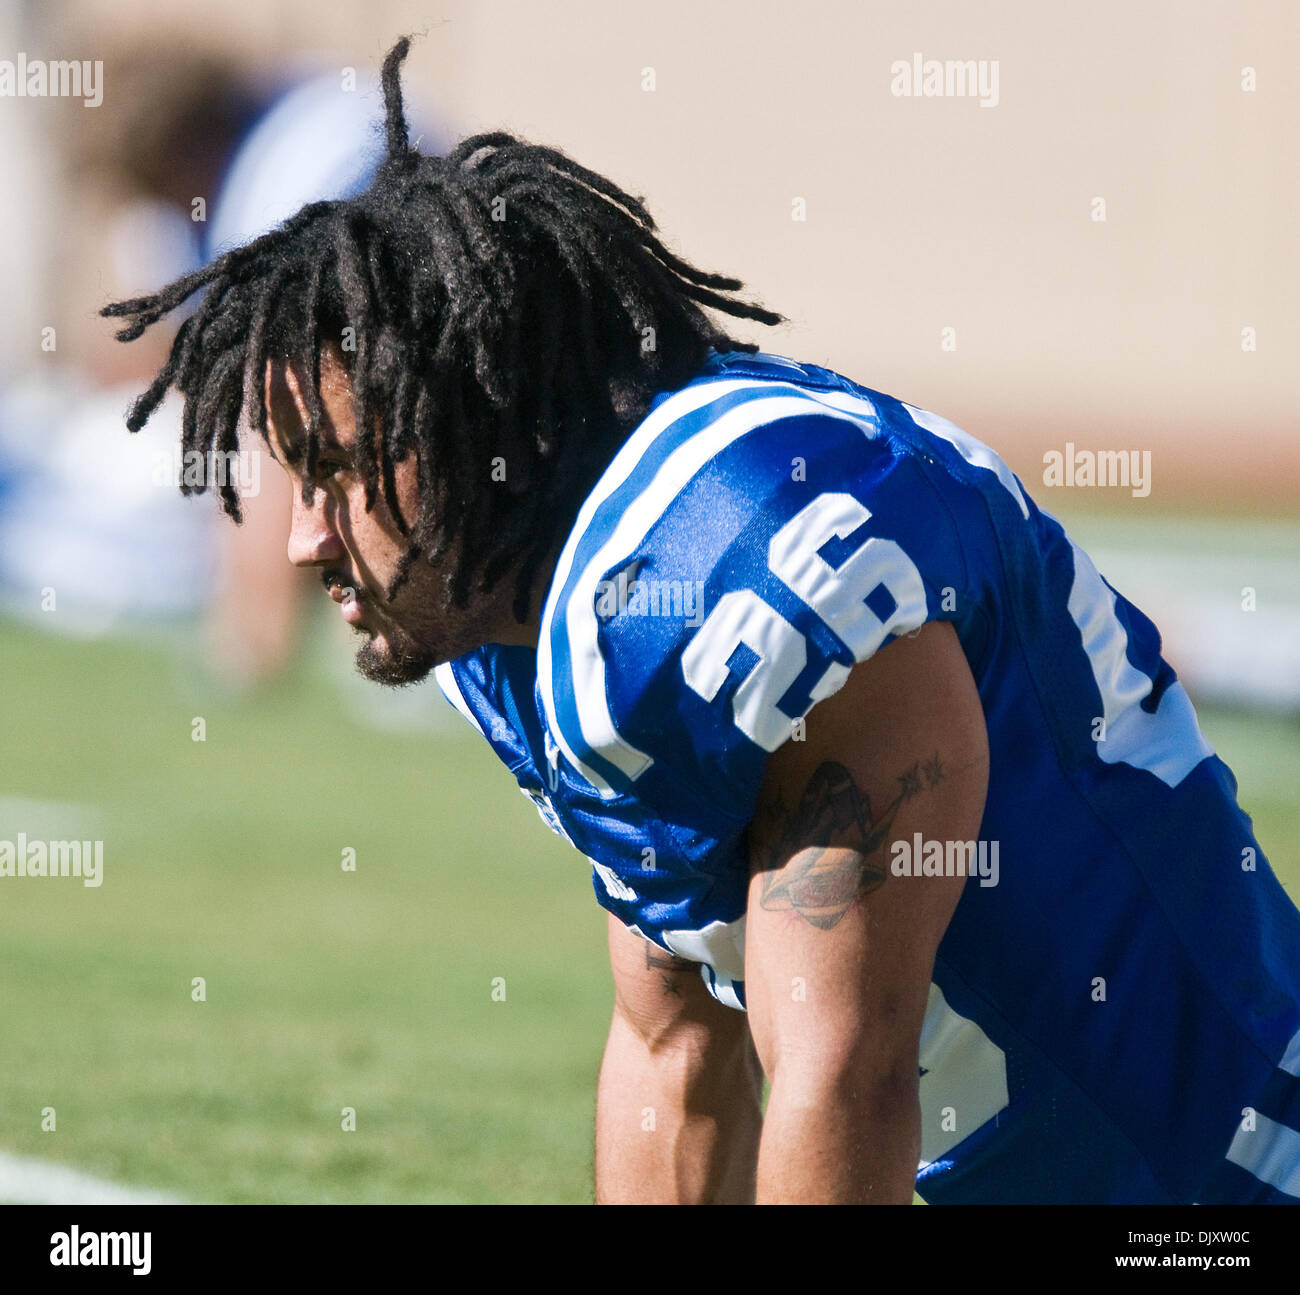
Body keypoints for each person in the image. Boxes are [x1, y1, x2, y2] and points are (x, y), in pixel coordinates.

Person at [101, 38, 1300, 1205]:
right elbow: (672, 1039)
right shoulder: (509, 611)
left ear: (475, 435)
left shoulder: (729, 560)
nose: (304, 537)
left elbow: (841, 1072)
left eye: (336, 471)